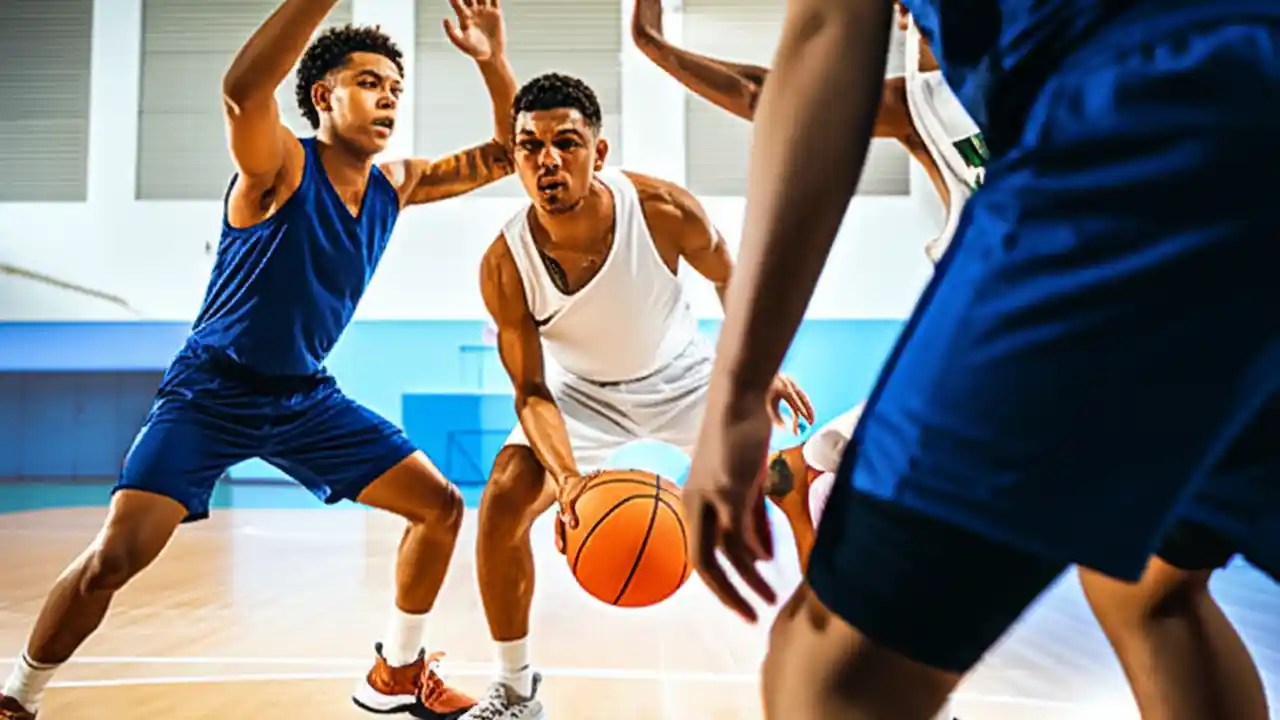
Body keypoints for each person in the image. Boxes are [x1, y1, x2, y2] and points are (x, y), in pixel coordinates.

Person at [682, 0, 1280, 718]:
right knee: (1150, 589)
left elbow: (827, 33)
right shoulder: (928, 104)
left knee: (831, 674)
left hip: (1143, 134)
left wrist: (740, 387)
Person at [0, 2, 517, 719]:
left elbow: (504, 152)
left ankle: (397, 671)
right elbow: (243, 91)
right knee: (114, 559)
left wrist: (492, 58)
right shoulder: (277, 165)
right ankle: (17, 697)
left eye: (396, 90)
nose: (388, 100)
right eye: (369, 83)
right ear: (322, 96)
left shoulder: (394, 187)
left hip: (305, 398)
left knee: (438, 506)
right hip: (209, 393)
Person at [461, 72, 814, 719]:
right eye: (529, 146)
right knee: (507, 494)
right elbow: (532, 392)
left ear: (598, 152)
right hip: (581, 396)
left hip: (686, 377)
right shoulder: (504, 264)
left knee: (797, 484)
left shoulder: (660, 209)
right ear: (513, 157)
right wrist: (568, 480)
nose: (546, 160)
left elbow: (729, 276)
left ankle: (842, 664)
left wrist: (758, 370)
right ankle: (514, 690)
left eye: (565, 142)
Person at [632, 0, 986, 568]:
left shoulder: (1067, 78)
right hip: (997, 336)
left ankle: (815, 486)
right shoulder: (929, 104)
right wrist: (656, 45)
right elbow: (770, 95)